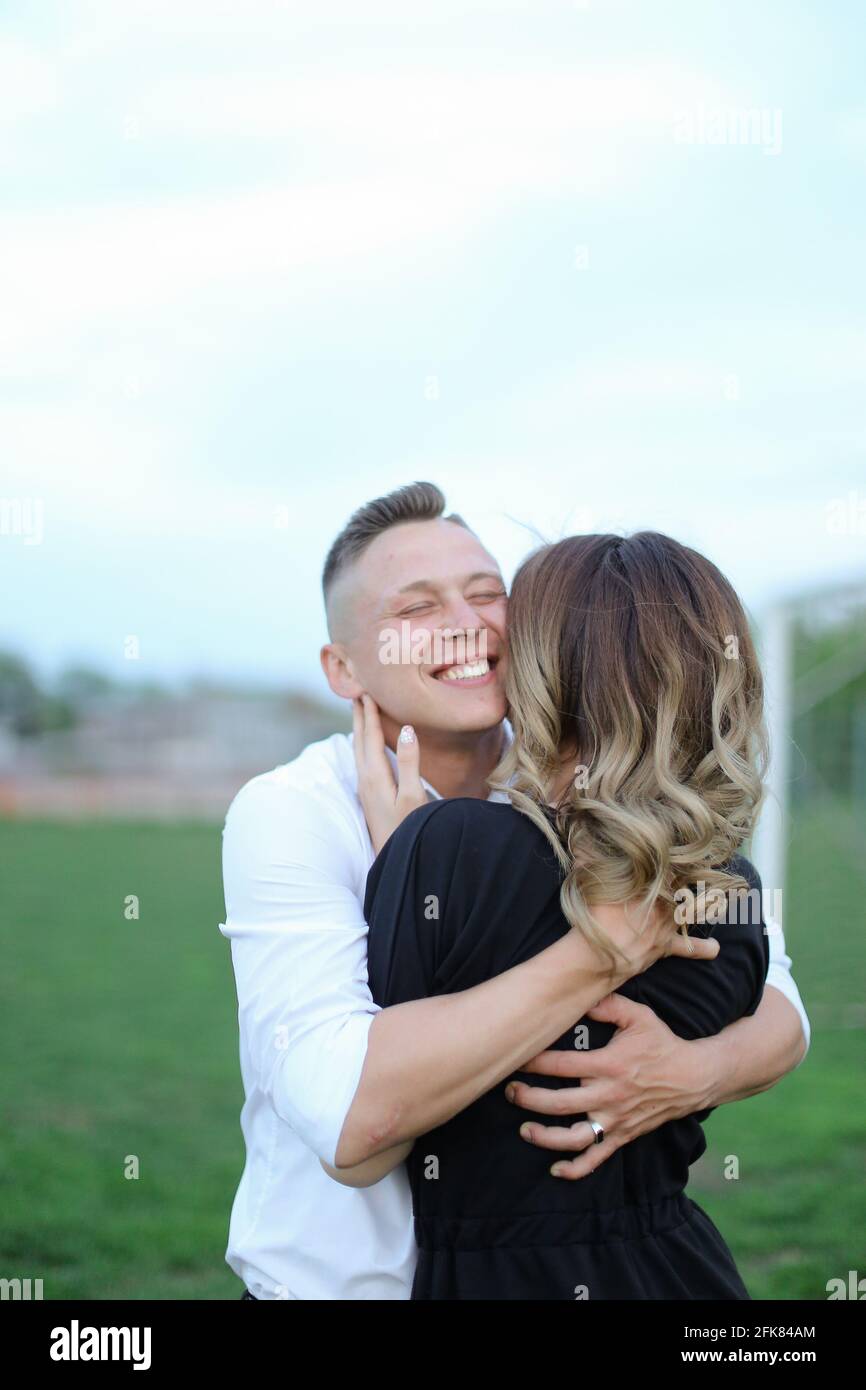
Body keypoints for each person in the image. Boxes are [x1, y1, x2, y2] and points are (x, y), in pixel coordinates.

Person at [220, 483, 809, 1300]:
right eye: (417, 607)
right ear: (344, 668)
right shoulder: (292, 810)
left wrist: (691, 1073)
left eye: (487, 593)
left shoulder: (586, 787)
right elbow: (351, 1116)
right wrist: (606, 946)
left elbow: (783, 1009)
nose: (467, 622)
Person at [353, 529, 777, 1298]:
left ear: (549, 671)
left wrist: (406, 861)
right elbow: (780, 1021)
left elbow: (362, 1142)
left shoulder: (452, 847)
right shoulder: (734, 887)